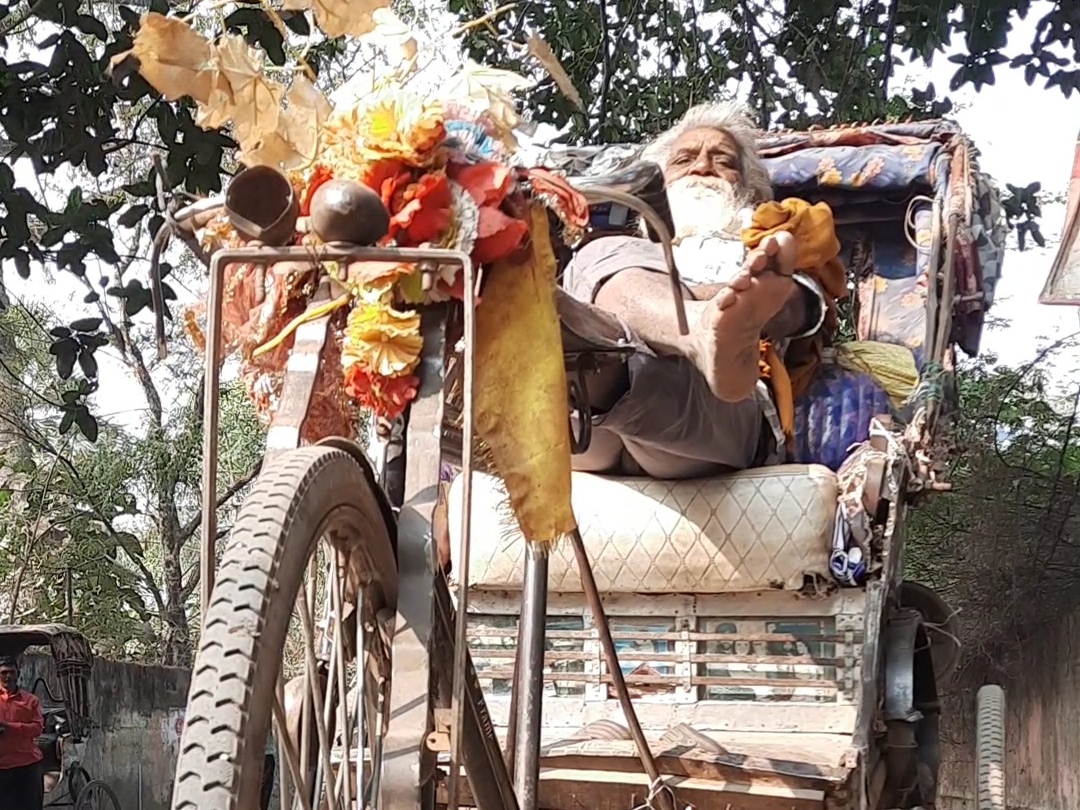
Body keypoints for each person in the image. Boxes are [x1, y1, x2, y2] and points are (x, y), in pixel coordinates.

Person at [563, 101, 842, 478]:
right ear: (657, 185)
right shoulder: (620, 249)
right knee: (597, 261)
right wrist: (707, 301)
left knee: (623, 352)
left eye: (723, 160)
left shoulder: (764, 247)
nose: (702, 166)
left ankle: (699, 339)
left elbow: (795, 307)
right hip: (587, 417)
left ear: (748, 188)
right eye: (684, 159)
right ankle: (697, 330)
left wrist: (749, 305)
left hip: (712, 421)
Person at [0, 655, 45, 810]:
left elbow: (37, 728)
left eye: (11, 672)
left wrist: (9, 727)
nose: (8, 676)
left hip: (26, 764)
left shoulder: (31, 701)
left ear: (18, 674)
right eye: (3, 673)